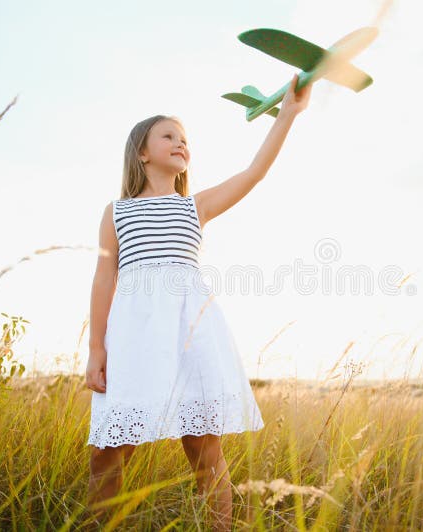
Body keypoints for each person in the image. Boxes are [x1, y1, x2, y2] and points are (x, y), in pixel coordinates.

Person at [84, 73, 313, 530]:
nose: (181, 143)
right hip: (133, 340)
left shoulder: (195, 206)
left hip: (191, 336)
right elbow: (104, 276)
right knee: (107, 454)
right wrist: (96, 349)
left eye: (185, 139)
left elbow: (254, 172)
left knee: (204, 449)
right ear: (142, 152)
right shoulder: (117, 212)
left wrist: (287, 114)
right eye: (168, 136)